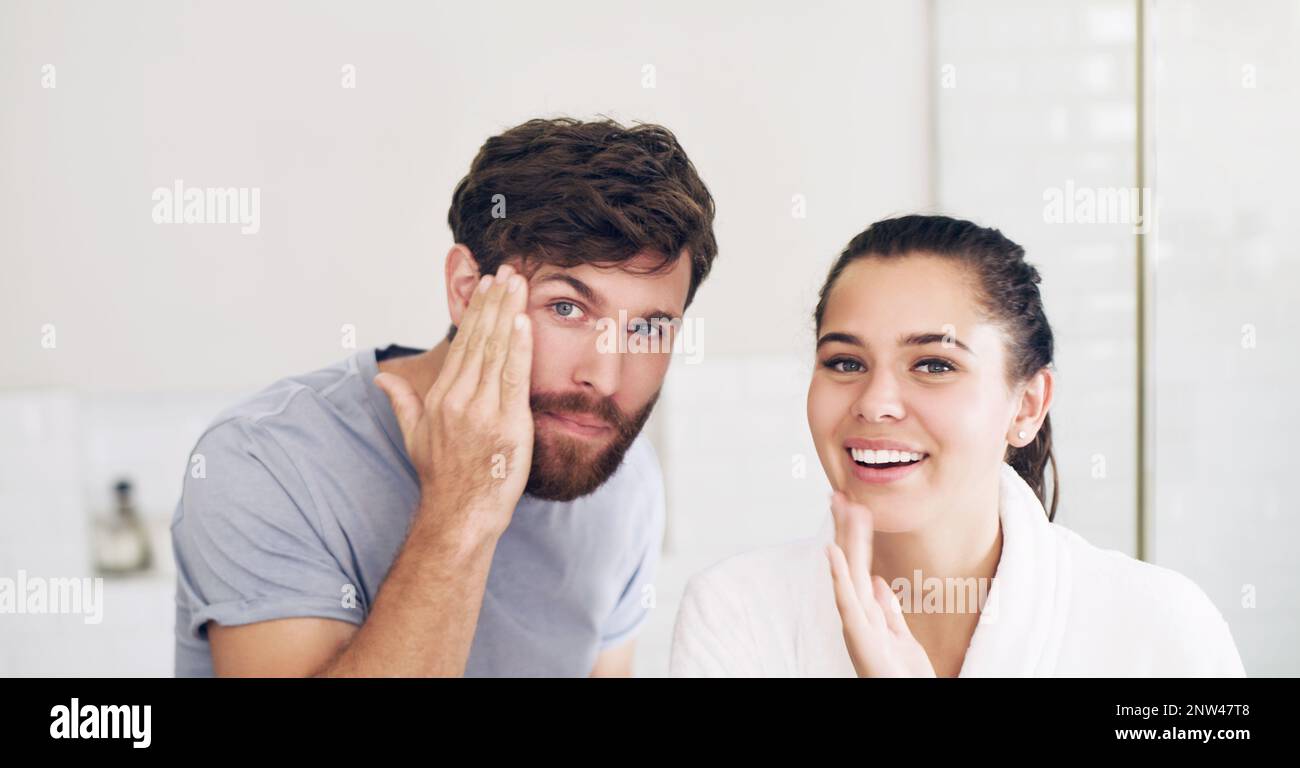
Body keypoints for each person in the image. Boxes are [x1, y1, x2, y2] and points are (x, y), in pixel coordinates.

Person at [172, 117, 718, 677]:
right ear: (465, 290)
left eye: (648, 329)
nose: (606, 377)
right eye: (566, 308)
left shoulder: (626, 483)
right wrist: (464, 509)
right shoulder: (267, 461)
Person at [669, 214, 1245, 677]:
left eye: (934, 364)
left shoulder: (1162, 627)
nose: (876, 402)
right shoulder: (736, 613)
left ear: (1026, 405)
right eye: (846, 362)